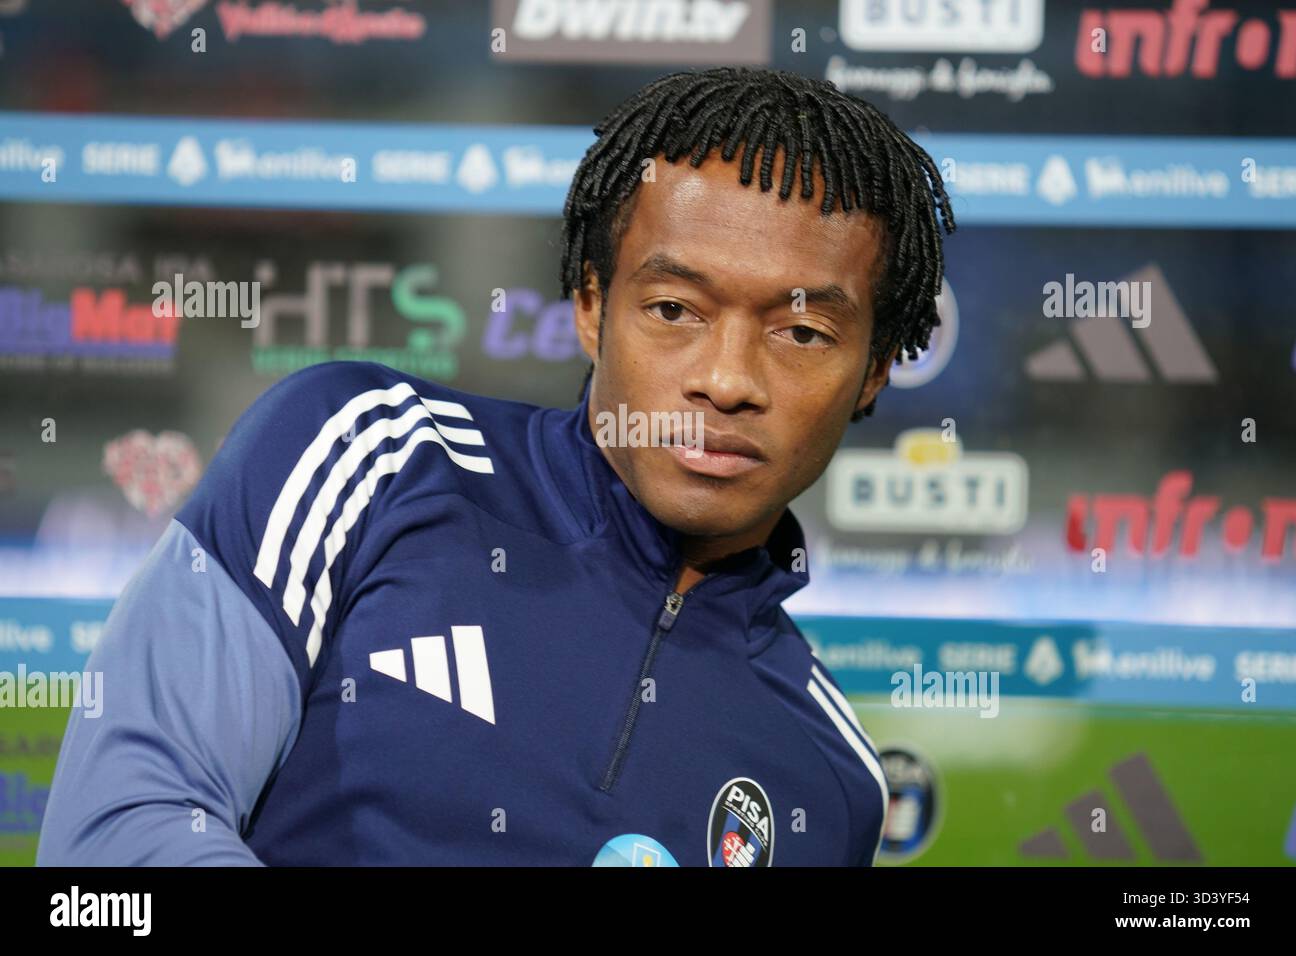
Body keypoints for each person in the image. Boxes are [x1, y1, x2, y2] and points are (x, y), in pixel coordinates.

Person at [37, 66, 954, 867]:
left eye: (802, 332)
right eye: (675, 309)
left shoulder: (831, 785)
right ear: (591, 307)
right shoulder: (364, 453)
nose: (726, 380)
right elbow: (122, 827)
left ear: (874, 370)